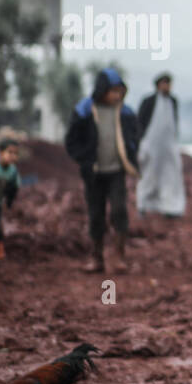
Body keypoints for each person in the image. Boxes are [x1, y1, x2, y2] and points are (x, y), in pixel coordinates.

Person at [64, 67, 139, 273]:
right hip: (94, 173)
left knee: (119, 210)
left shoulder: (125, 112)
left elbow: (134, 137)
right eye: (113, 91)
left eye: (119, 91)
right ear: (102, 90)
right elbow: (71, 140)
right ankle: (96, 258)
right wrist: (84, 159)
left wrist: (131, 158)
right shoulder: (85, 110)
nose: (117, 95)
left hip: (116, 171)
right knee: (96, 214)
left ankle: (119, 256)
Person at [136, 72, 186, 218]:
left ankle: (170, 207)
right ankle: (143, 206)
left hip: (168, 147)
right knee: (149, 175)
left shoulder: (173, 101)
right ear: (158, 85)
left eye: (169, 83)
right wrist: (140, 142)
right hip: (151, 146)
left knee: (171, 176)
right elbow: (140, 122)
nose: (167, 87)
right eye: (164, 83)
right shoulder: (149, 102)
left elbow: (173, 124)